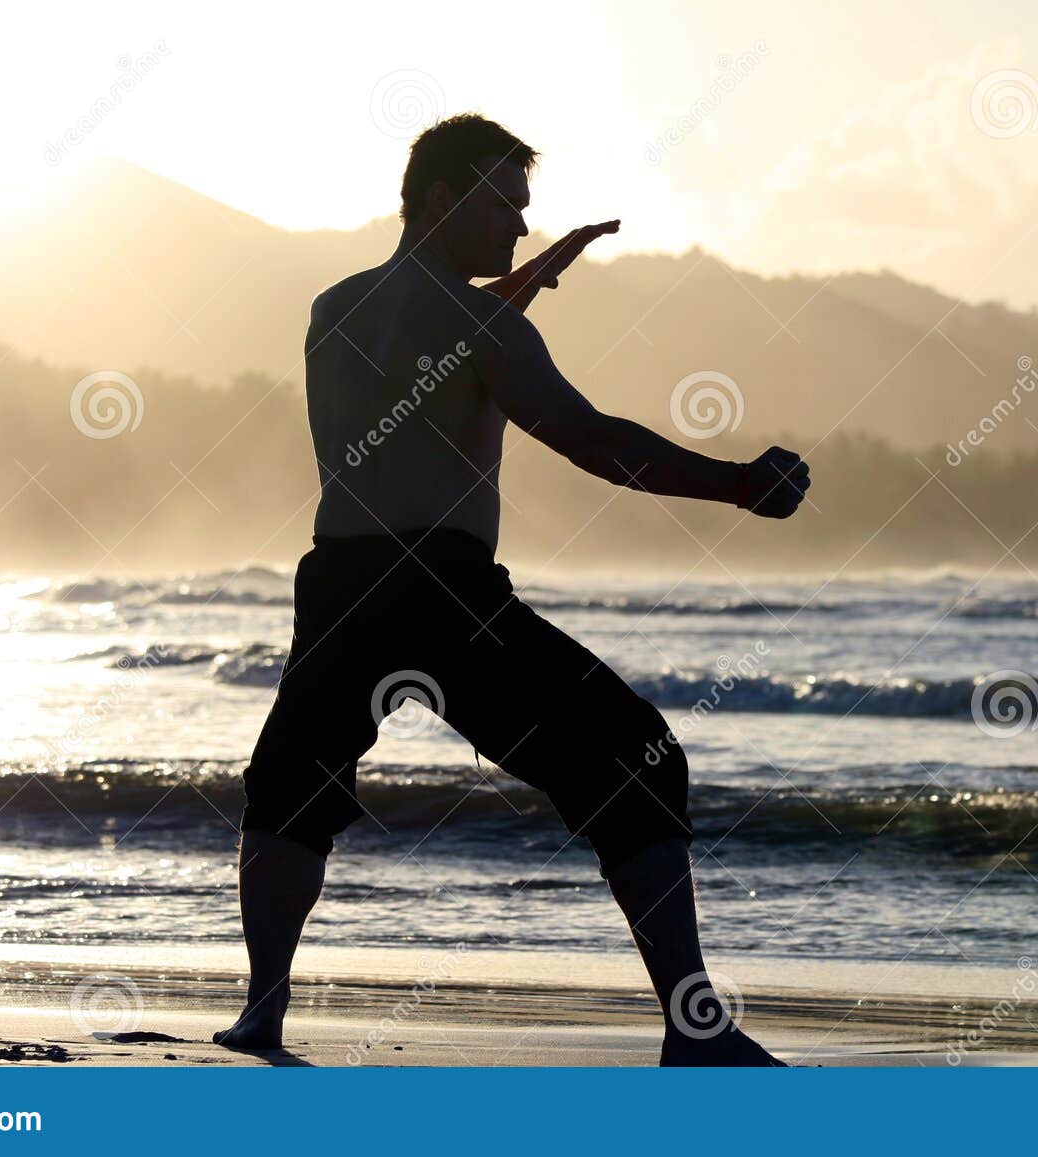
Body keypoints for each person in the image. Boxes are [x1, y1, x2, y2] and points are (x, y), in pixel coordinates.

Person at [215, 113, 810, 1065]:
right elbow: (590, 439)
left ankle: (263, 1011)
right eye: (504, 206)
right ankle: (695, 1029)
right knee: (640, 755)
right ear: (443, 198)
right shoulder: (484, 323)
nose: (520, 228)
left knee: (292, 784)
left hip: (341, 585)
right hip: (445, 594)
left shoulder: (334, 309)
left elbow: (432, 338)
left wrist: (524, 286)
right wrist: (738, 484)